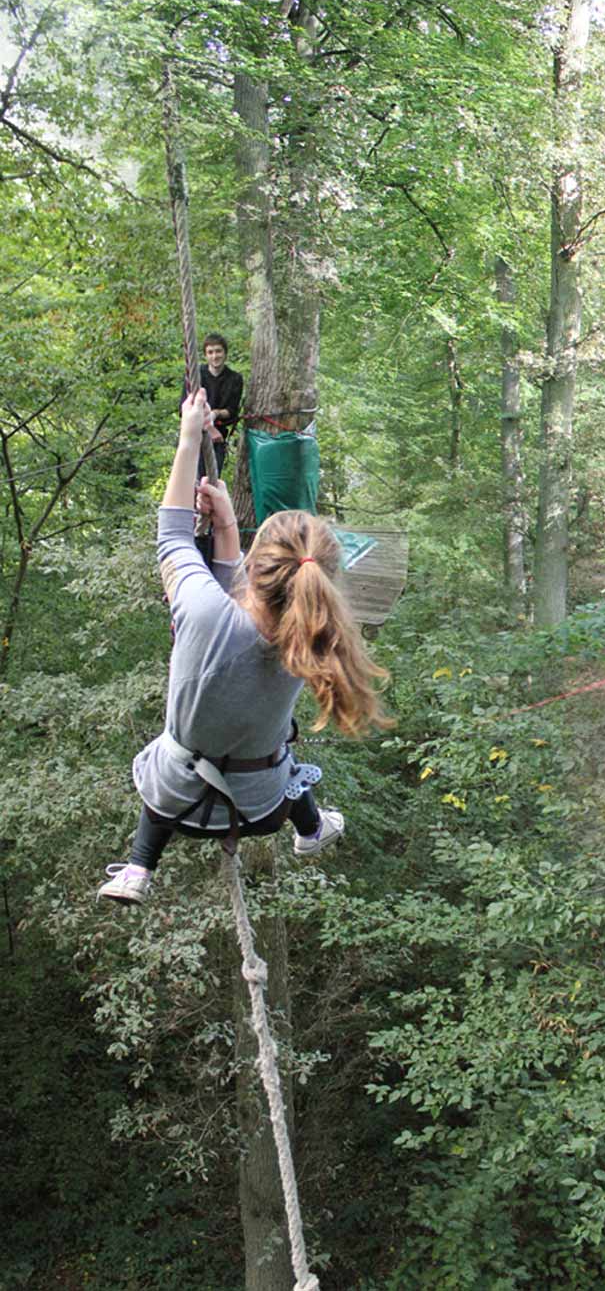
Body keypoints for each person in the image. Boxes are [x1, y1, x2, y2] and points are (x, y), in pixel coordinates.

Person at [99, 390, 391, 905]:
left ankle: (139, 869)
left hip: (174, 800)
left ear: (256, 569)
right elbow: (241, 603)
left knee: (172, 762)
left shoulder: (207, 615)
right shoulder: (313, 636)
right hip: (260, 809)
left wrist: (188, 441)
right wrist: (229, 527)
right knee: (287, 756)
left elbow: (172, 540)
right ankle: (312, 827)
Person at [198, 333, 243, 473]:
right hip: (196, 434)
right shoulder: (197, 374)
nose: (214, 356)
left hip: (219, 438)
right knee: (193, 482)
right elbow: (186, 408)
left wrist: (215, 414)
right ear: (205, 355)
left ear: (225, 353)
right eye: (210, 352)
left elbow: (232, 411)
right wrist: (209, 428)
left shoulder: (234, 379)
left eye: (218, 351)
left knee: (212, 482)